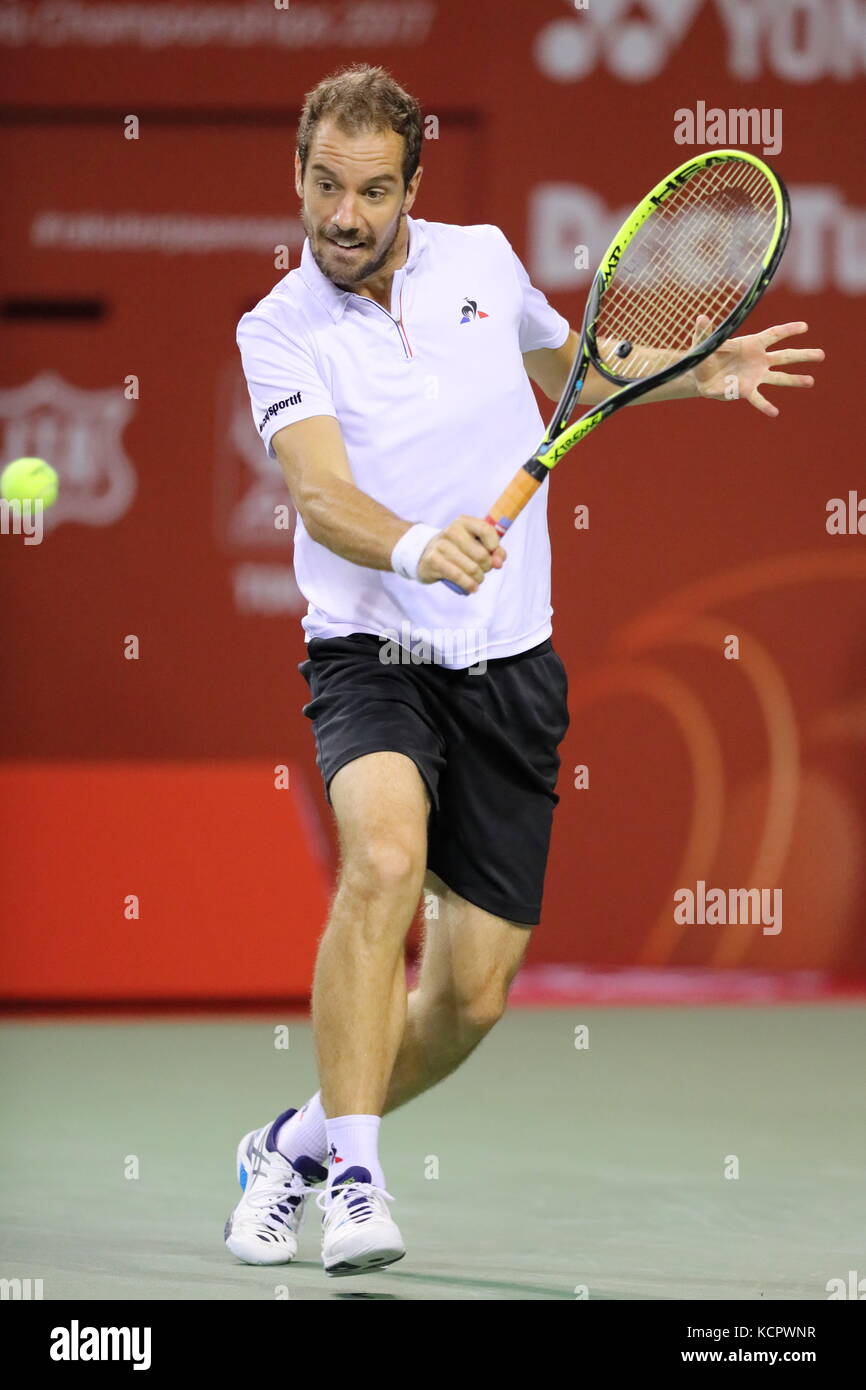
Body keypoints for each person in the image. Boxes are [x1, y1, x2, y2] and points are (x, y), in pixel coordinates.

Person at [226, 64, 823, 1278]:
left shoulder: (485, 263)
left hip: (507, 664)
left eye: (371, 191)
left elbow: (571, 370)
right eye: (324, 185)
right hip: (371, 654)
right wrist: (411, 543)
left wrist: (690, 373)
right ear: (297, 174)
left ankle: (288, 1141)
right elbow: (319, 492)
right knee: (383, 856)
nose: (342, 216)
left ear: (412, 191)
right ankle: (355, 1181)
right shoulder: (277, 325)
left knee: (472, 999)